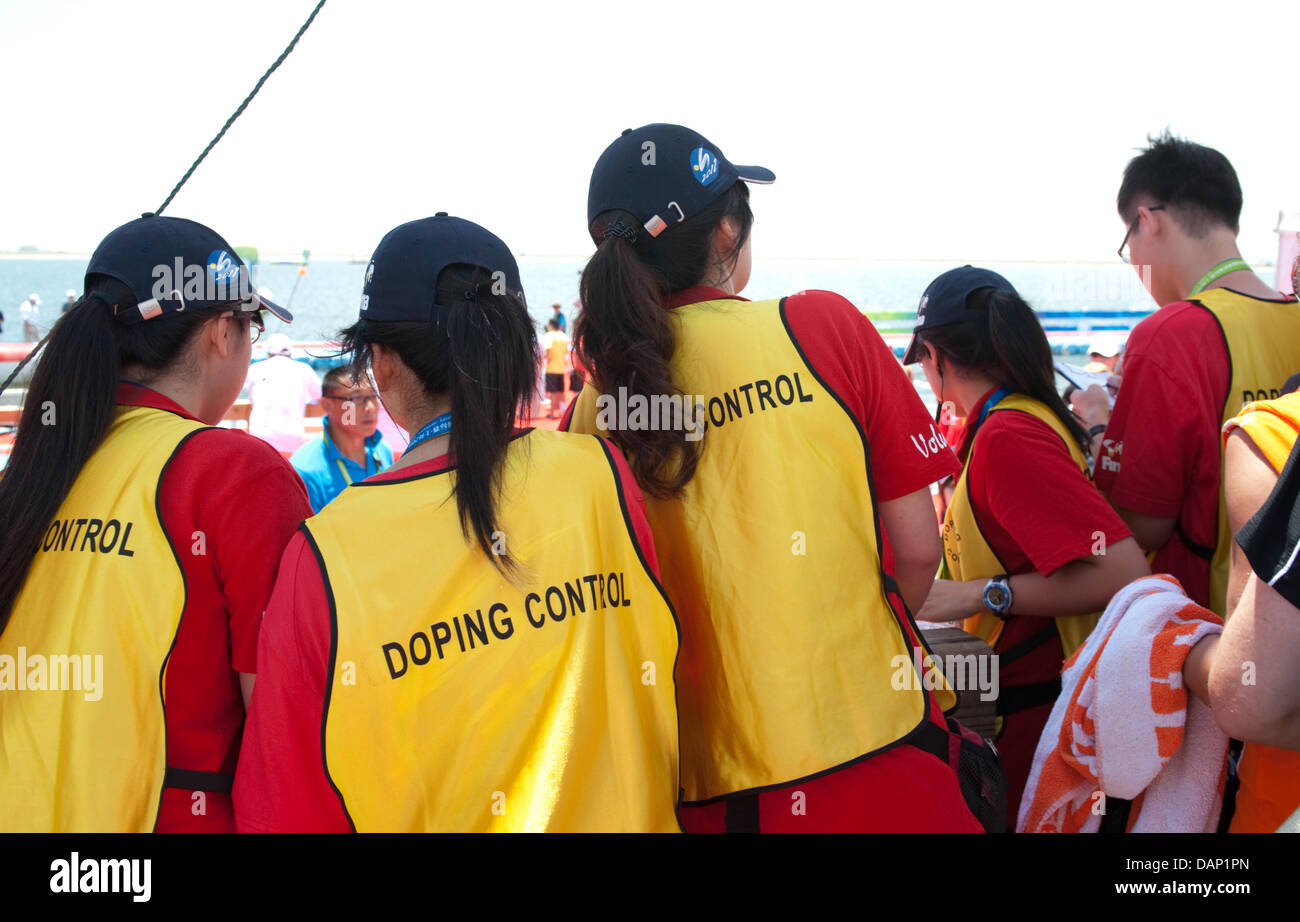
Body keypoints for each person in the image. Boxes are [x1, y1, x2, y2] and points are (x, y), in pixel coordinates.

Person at [562, 123, 982, 832]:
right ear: (727, 233)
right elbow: (917, 551)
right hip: (878, 755)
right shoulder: (824, 326)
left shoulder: (592, 409)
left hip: (702, 791)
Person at [233, 214, 682, 832]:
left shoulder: (327, 553)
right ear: (512, 349)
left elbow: (285, 803)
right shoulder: (599, 475)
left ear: (382, 364)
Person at [0, 214, 309, 832]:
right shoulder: (233, 474)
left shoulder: (35, 470)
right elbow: (288, 734)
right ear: (222, 331)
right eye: (251, 326)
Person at [903, 266, 1151, 827]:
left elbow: (1123, 572)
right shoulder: (1013, 418)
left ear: (937, 356)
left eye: (920, 358)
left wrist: (973, 596)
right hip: (1046, 707)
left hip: (1038, 722)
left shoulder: (1008, 438)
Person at [1074, 132, 1300, 617]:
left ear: (1147, 221)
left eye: (1126, 243)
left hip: (1215, 633)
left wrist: (1097, 425)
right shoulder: (1295, 318)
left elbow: (1141, 525)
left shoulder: (1169, 335)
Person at [289, 365, 393, 513]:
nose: (370, 407)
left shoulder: (382, 450)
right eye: (356, 398)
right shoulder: (305, 470)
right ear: (327, 405)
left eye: (373, 396)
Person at [244, 331, 322, 456]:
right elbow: (320, 395)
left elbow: (252, 395)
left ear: (268, 352)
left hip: (260, 439)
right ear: (290, 352)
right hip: (293, 440)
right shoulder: (303, 369)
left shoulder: (255, 369)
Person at [540, 318, 570, 417]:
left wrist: (543, 359)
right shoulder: (563, 336)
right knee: (561, 391)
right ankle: (563, 411)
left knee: (552, 392)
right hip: (561, 368)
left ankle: (552, 413)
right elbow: (566, 352)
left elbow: (547, 351)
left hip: (551, 368)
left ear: (551, 325)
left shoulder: (549, 336)